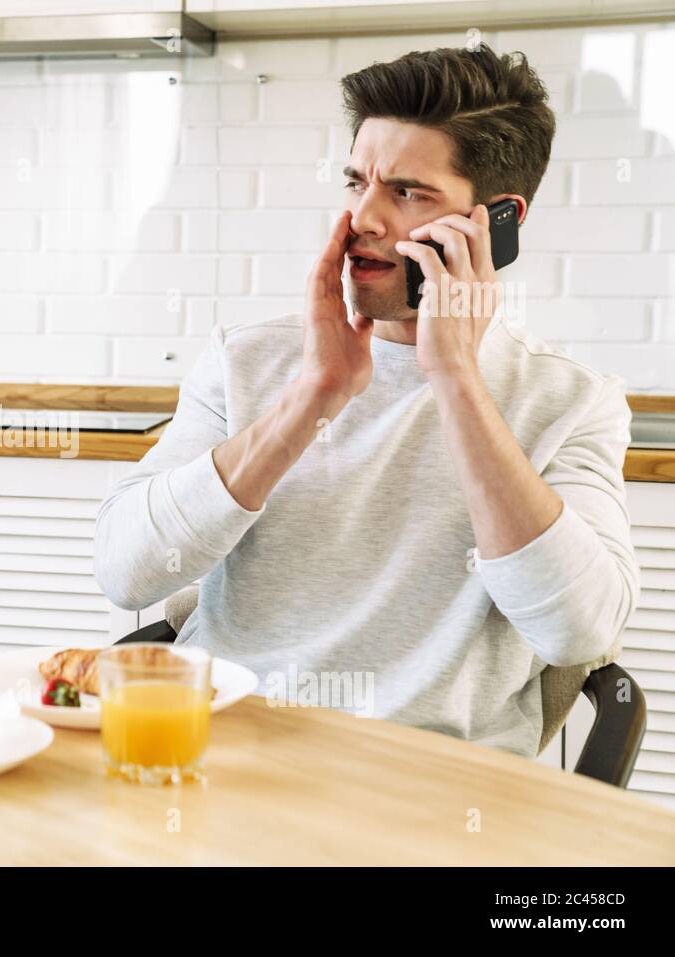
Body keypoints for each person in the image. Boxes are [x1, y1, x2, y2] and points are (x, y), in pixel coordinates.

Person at [94, 44, 639, 757]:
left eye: (407, 192)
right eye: (356, 182)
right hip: (223, 756)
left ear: (497, 222)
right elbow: (126, 570)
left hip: (436, 788)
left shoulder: (570, 400)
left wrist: (457, 382)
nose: (363, 218)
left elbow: (579, 629)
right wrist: (310, 398)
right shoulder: (247, 359)